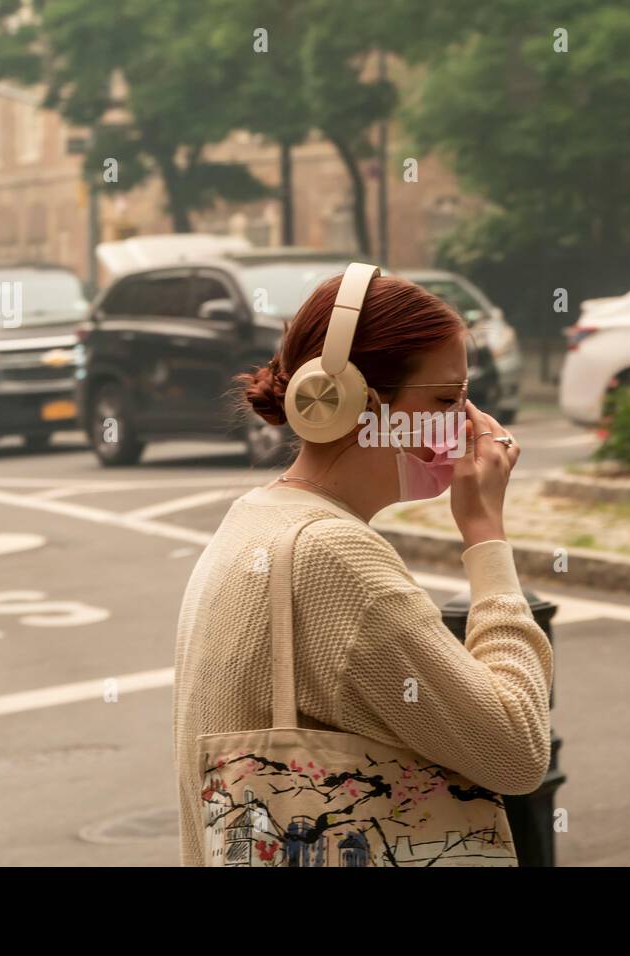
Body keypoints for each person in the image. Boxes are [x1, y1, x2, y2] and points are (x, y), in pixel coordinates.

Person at [172, 270, 553, 866]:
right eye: (448, 399)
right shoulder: (334, 558)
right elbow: (516, 751)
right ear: (354, 401)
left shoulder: (253, 522)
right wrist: (486, 537)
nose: (471, 424)